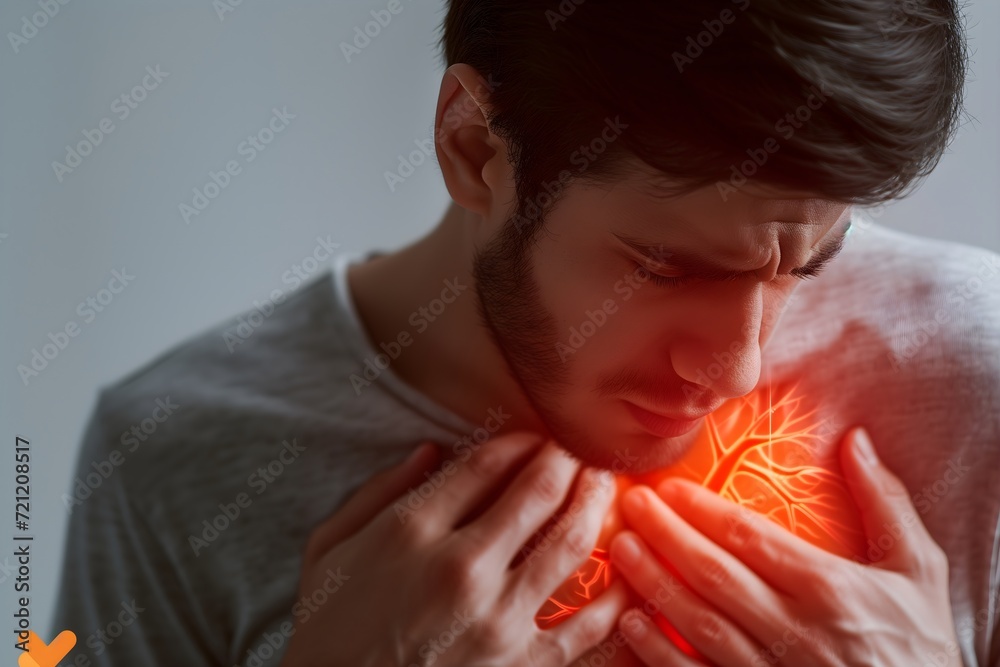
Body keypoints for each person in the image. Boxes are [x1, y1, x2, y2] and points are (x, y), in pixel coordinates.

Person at [50, 0, 1000, 665]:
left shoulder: (979, 371)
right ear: (473, 145)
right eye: (663, 266)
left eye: (806, 265)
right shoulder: (167, 453)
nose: (735, 368)